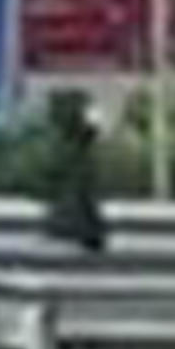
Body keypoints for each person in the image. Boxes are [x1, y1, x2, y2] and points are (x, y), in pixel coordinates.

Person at [38, 90, 108, 261]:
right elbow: (92, 131)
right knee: (81, 196)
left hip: (79, 166)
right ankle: (87, 233)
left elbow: (90, 132)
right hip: (80, 166)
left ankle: (86, 232)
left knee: (81, 196)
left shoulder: (72, 133)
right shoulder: (76, 129)